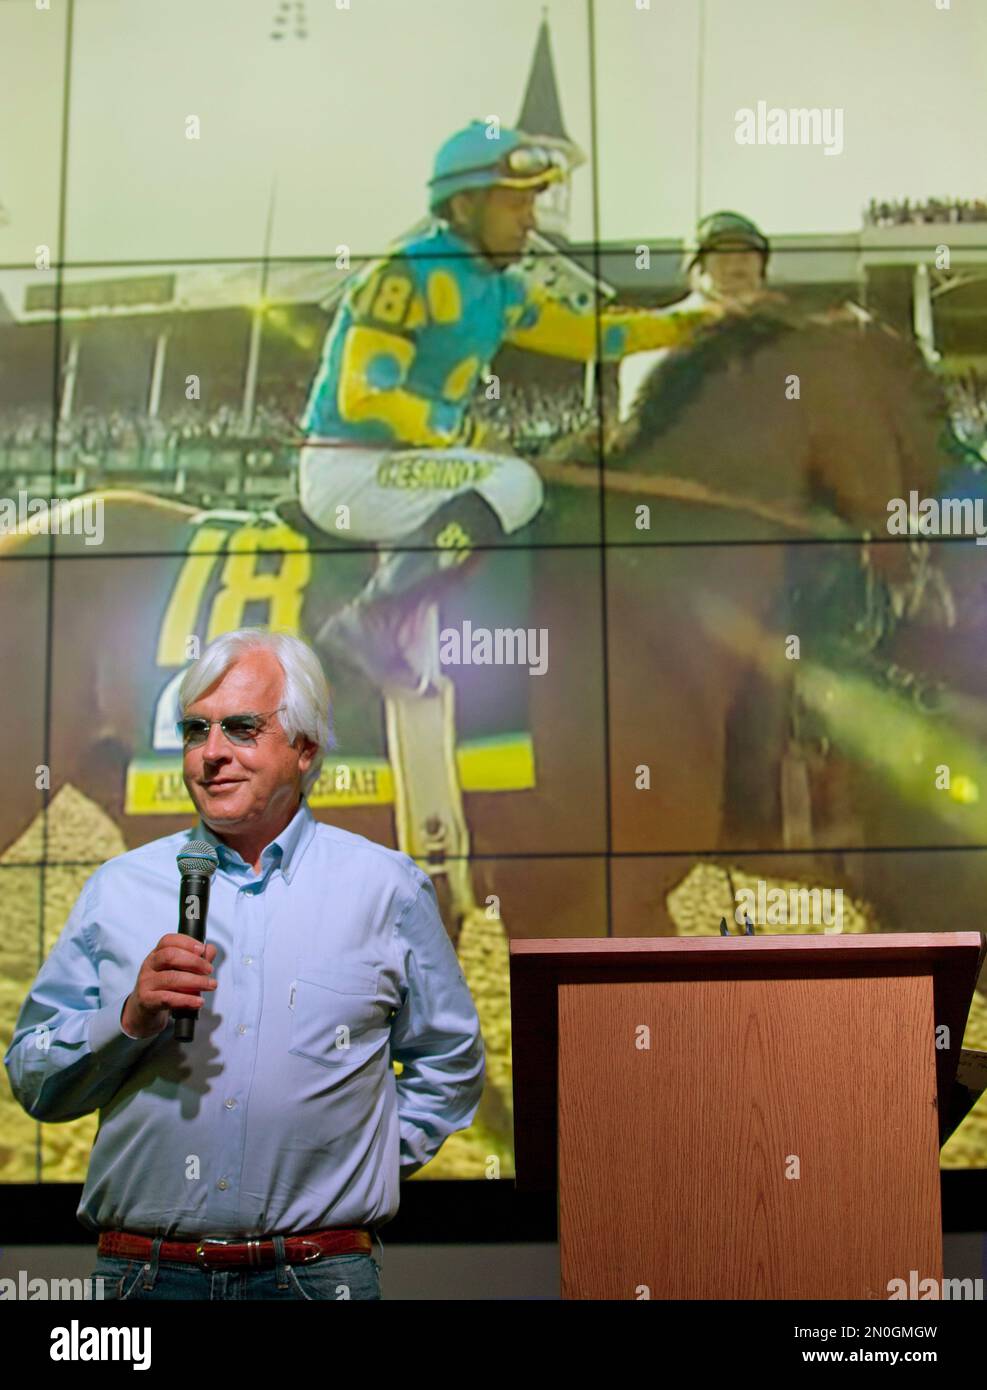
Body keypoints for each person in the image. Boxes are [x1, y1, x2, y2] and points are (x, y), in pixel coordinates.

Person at [4, 628, 484, 1301]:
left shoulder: (387, 888)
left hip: (318, 1276)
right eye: (195, 731)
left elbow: (450, 1060)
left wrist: (360, 1161)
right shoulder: (118, 889)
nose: (211, 754)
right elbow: (32, 1073)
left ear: (306, 749)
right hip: (143, 1278)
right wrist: (128, 1021)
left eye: (241, 728)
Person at [297, 119, 724, 693]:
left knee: (529, 487)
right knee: (514, 484)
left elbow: (595, 337)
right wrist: (467, 433)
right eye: (515, 203)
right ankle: (368, 622)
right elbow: (366, 392)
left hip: (404, 467)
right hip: (350, 467)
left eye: (533, 203)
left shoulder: (501, 291)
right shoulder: (405, 272)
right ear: (466, 203)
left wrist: (693, 323)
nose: (531, 219)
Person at [617, 210, 771, 425]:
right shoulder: (658, 331)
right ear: (697, 272)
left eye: (746, 256)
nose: (736, 265)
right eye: (723, 256)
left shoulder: (781, 339)